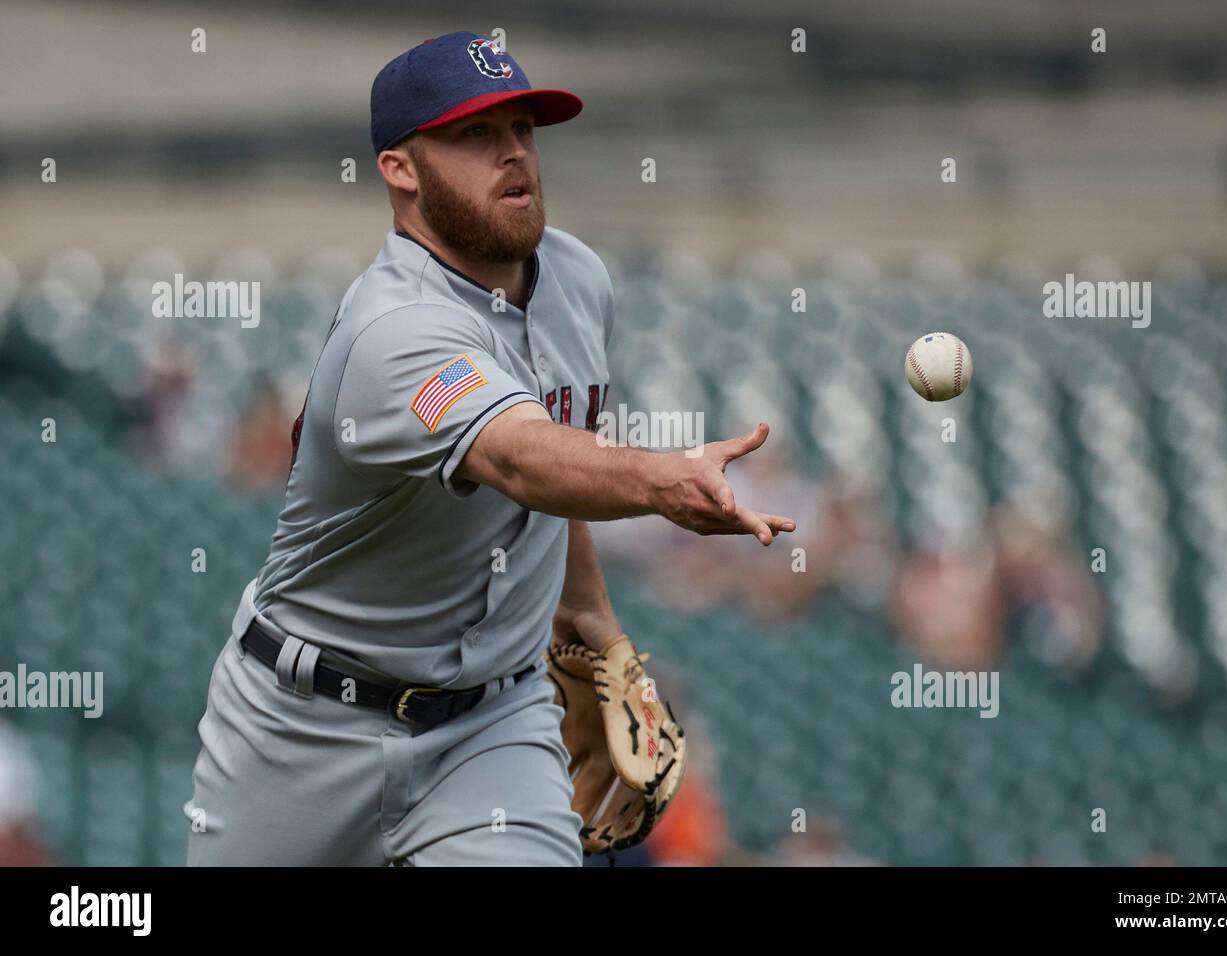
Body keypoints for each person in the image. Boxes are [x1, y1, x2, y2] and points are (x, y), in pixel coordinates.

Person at [185, 32, 794, 867]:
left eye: (523, 129)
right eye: (474, 135)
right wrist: (660, 479)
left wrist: (591, 622)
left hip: (491, 729)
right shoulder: (392, 333)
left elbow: (555, 476)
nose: (513, 153)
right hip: (302, 729)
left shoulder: (580, 280)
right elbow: (518, 457)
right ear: (400, 168)